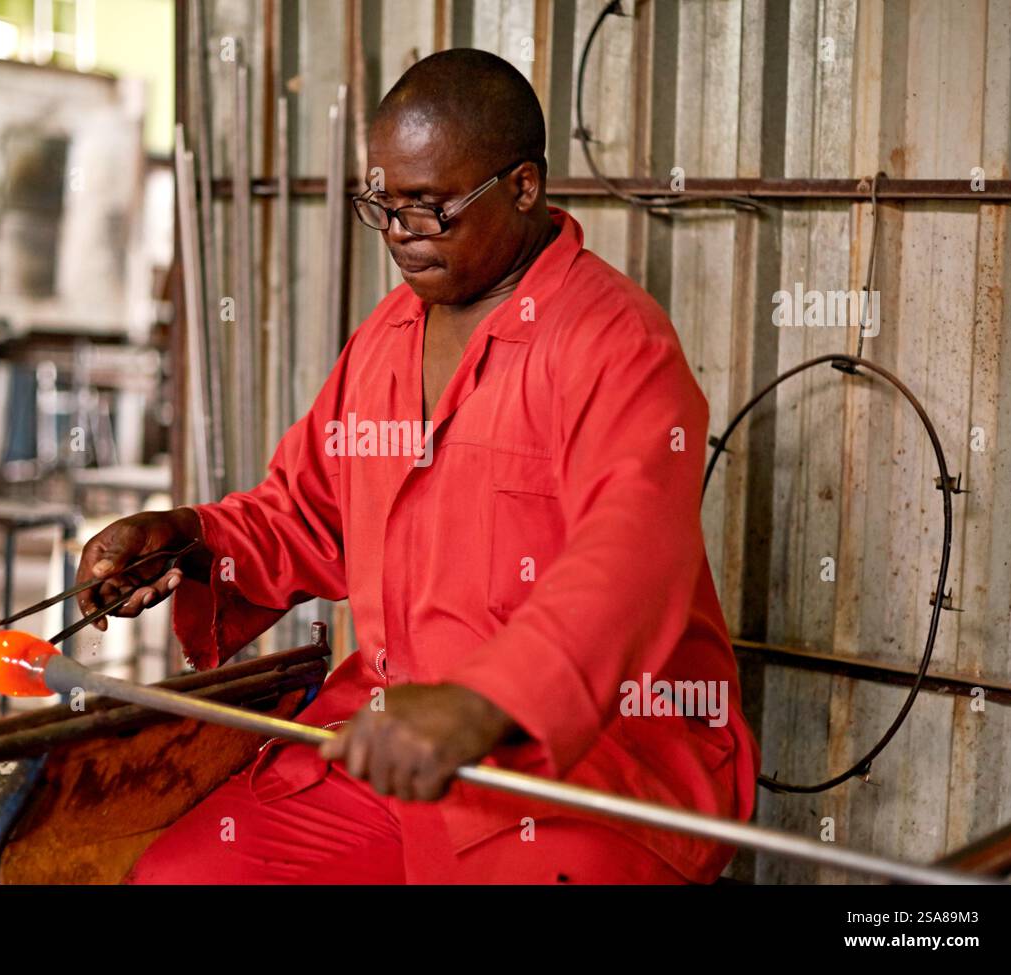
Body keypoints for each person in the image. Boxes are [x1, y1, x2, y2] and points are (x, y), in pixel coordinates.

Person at [77, 48, 759, 884]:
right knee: (185, 877)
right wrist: (190, 535)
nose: (400, 234)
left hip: (583, 768)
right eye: (385, 205)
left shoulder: (614, 343)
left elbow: (631, 561)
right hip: (392, 747)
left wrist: (488, 701)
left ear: (524, 187)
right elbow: (309, 511)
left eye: (430, 208)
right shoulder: (389, 336)